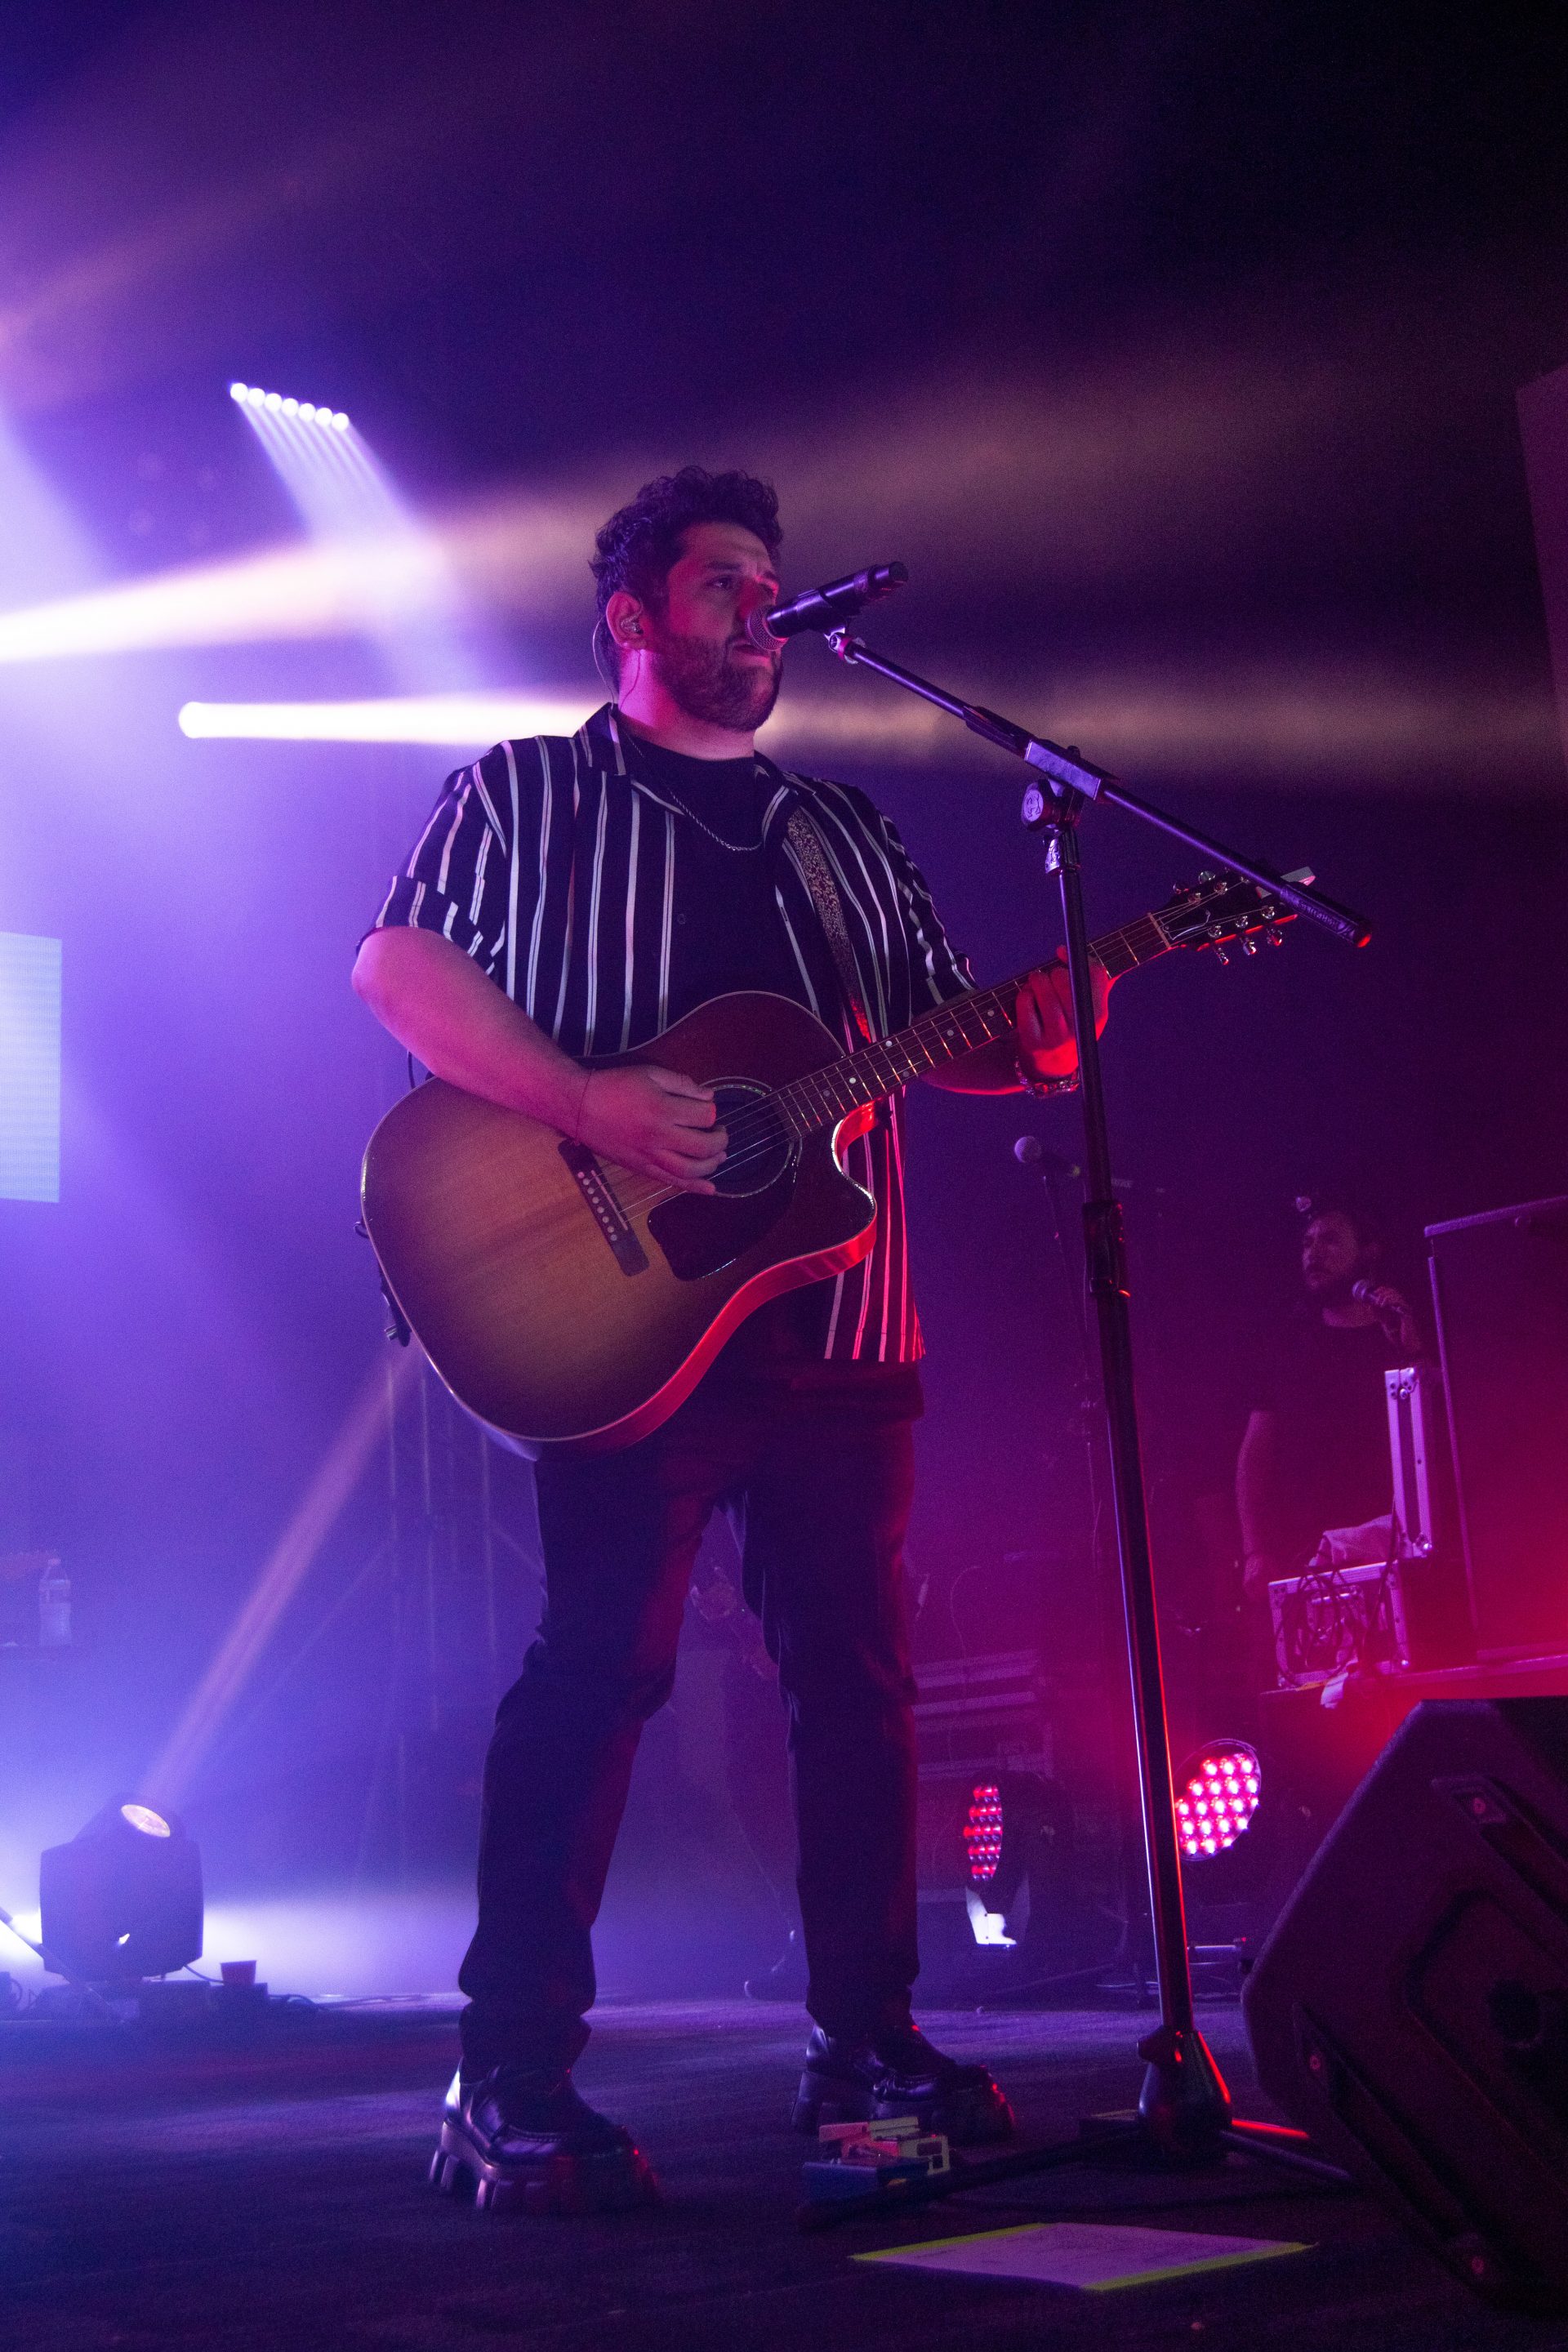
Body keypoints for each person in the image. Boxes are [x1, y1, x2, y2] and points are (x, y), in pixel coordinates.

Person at [353, 467, 1109, 2213]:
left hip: (844, 1307)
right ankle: (510, 2077)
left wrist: (1043, 1037)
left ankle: (866, 2053)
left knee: (855, 1690)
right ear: (633, 618)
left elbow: (941, 1034)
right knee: (599, 1674)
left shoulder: (842, 828)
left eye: (771, 585)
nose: (759, 612)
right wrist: (591, 1105)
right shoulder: (527, 794)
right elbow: (397, 971)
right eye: (720, 586)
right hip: (613, 1311)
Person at [1236, 1203, 1426, 1642]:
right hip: (1307, 1556)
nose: (1313, 1252)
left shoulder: (1398, 1335)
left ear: (1370, 1252)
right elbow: (1254, 1454)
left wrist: (1413, 1348)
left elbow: (1443, 1429)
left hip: (1396, 1550)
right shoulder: (1289, 1346)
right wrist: (1255, 1550)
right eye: (1307, 1242)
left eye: (1330, 1240)